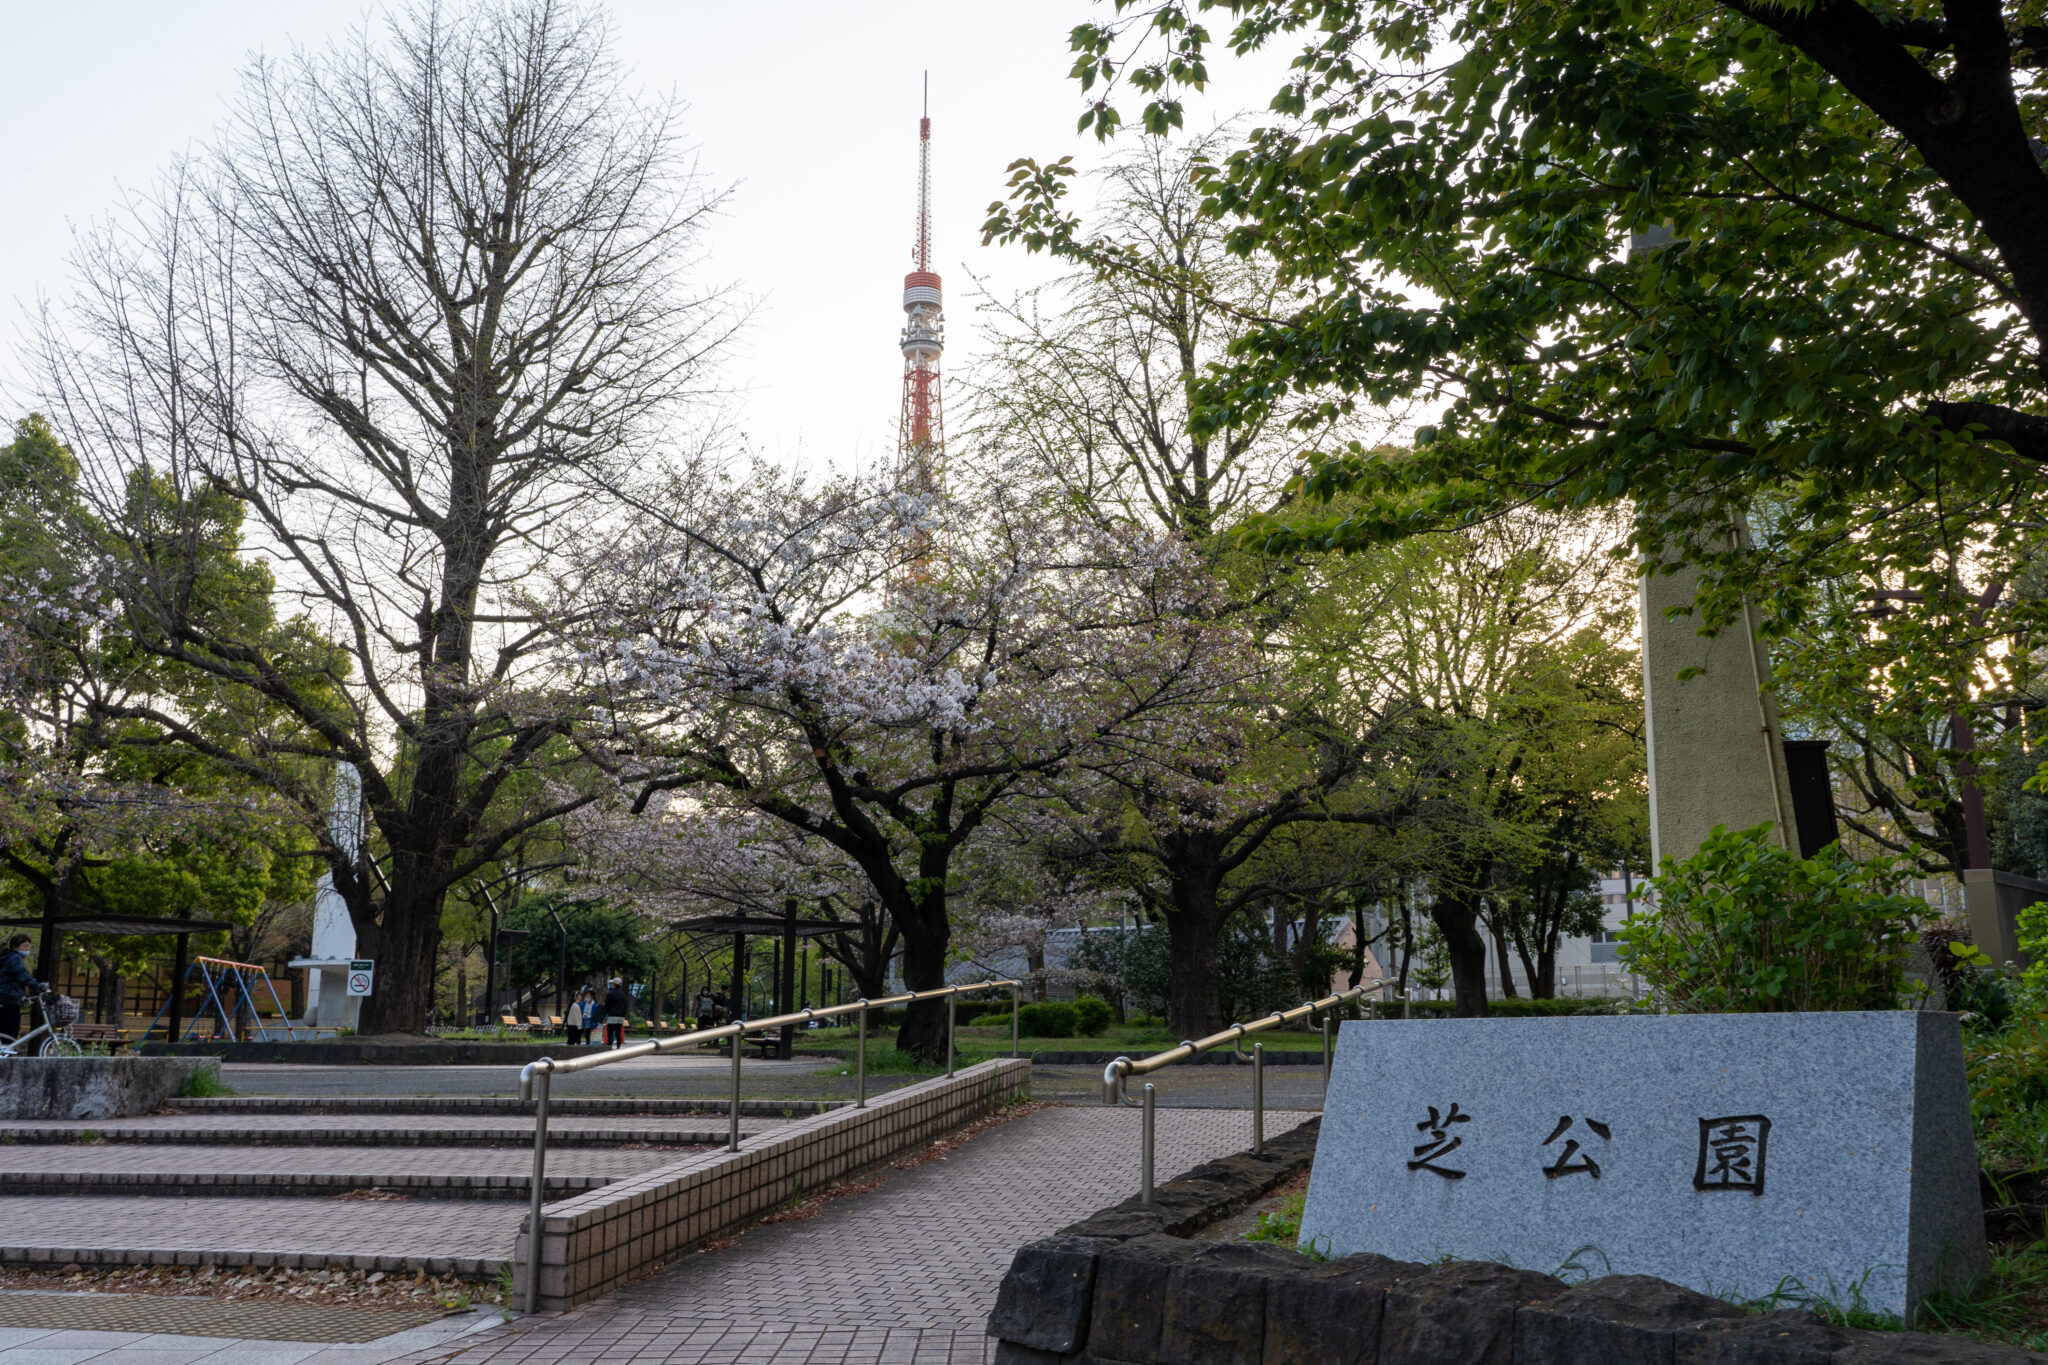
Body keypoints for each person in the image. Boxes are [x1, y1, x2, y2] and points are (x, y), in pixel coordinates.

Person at [0, 935, 43, 1045]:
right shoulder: (15, 958)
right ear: (15, 947)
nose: (27, 949)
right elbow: (21, 975)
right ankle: (6, 1054)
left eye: (29, 946)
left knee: (4, 1029)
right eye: (24, 946)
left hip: (3, 997)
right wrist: (37, 986)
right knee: (11, 1030)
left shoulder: (6, 957)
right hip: (9, 998)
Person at [604, 978, 629, 1048]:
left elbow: (607, 1004)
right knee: (618, 1031)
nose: (611, 984)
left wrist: (607, 1012)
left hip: (612, 1015)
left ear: (615, 985)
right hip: (621, 1016)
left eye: (612, 983)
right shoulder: (623, 995)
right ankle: (618, 1045)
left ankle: (609, 1045)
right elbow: (625, 1005)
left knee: (610, 1031)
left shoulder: (610, 994)